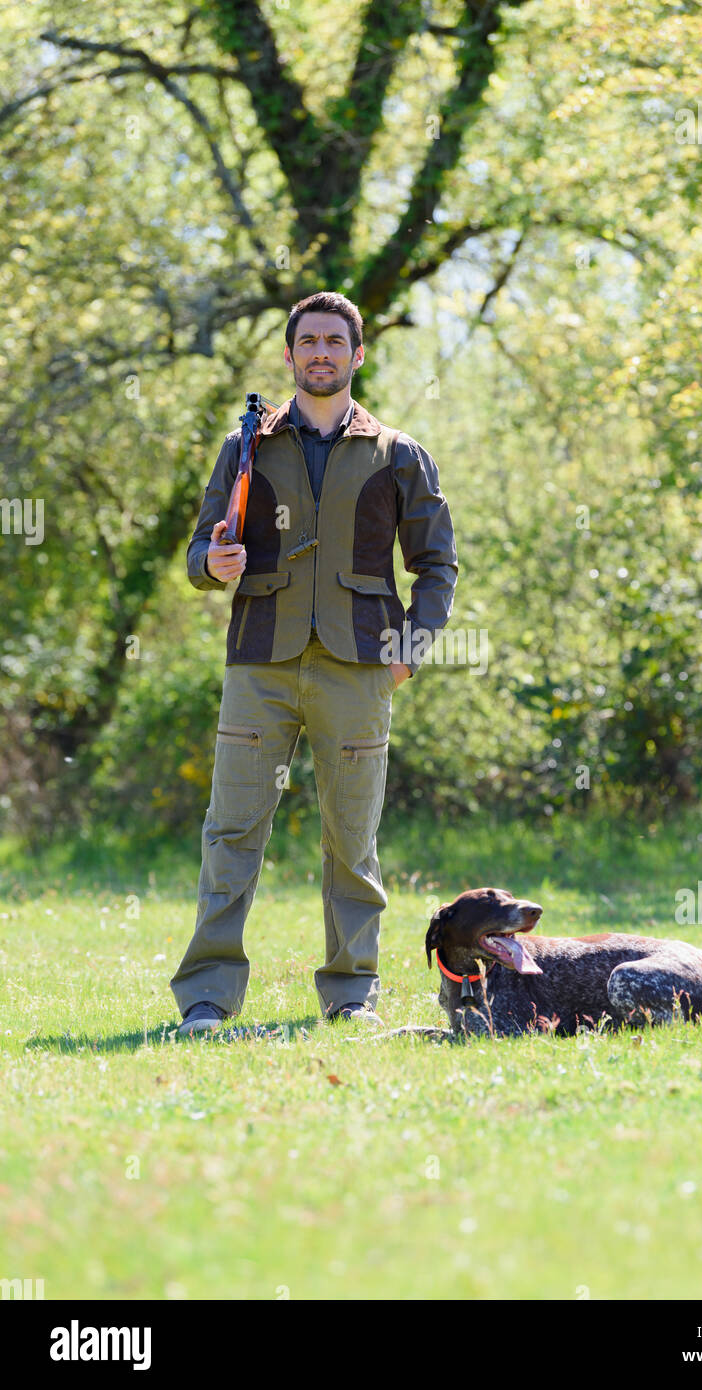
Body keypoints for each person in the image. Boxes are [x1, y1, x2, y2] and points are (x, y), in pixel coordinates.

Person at [170, 291, 458, 1035]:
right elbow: (199, 550)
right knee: (230, 832)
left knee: (351, 840)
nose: (321, 353)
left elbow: (436, 565)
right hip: (258, 664)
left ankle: (351, 993)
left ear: (358, 355)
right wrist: (214, 561)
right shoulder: (246, 447)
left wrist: (409, 651)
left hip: (359, 668)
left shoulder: (398, 454)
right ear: (291, 354)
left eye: (336, 341)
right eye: (309, 342)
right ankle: (207, 998)